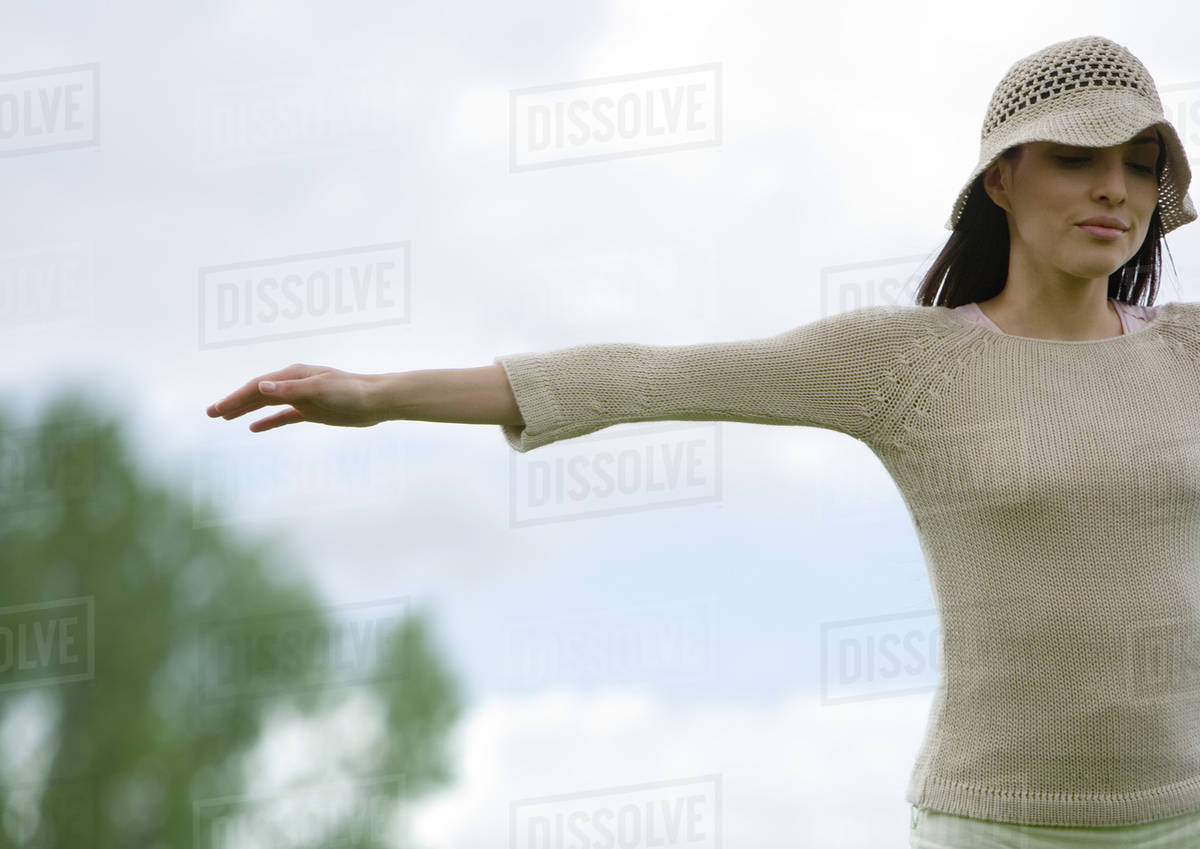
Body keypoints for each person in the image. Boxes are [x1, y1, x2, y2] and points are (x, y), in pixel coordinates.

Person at [207, 34, 1200, 848]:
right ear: (1002, 179)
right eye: (1078, 158)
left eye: (1138, 163)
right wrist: (378, 394)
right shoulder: (908, 362)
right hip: (992, 828)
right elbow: (649, 374)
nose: (1114, 188)